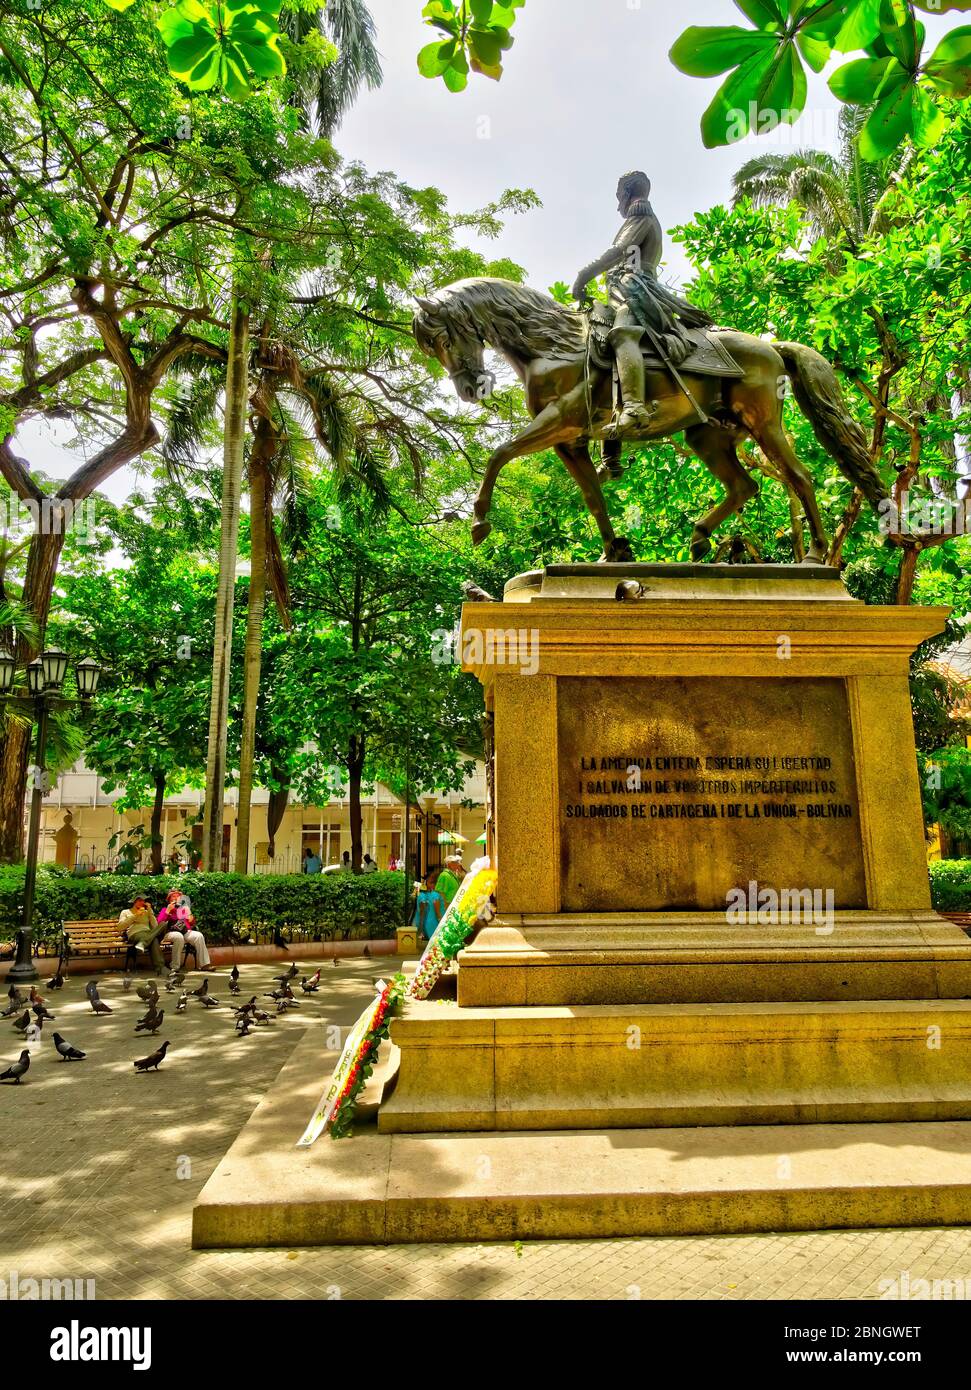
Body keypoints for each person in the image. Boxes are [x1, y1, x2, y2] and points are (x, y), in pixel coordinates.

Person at [571, 170, 713, 439]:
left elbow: (619, 251)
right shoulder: (643, 215)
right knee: (596, 339)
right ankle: (609, 439)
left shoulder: (640, 214)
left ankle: (635, 408)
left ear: (625, 194)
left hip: (637, 290)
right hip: (624, 289)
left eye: (618, 198)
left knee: (623, 335)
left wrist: (584, 275)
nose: (618, 206)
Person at [157, 889, 212, 971]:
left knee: (198, 936)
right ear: (169, 899)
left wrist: (189, 914)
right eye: (173, 896)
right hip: (169, 933)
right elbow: (159, 923)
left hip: (184, 932)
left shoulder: (182, 909)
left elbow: (191, 923)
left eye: (178, 896)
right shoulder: (165, 909)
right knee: (178, 937)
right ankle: (175, 966)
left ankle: (204, 965)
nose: (176, 898)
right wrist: (168, 911)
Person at [118, 896, 166, 974]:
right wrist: (136, 915)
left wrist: (150, 911)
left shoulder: (147, 912)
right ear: (134, 902)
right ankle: (161, 968)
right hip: (135, 934)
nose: (142, 902)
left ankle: (143, 943)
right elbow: (120, 927)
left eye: (143, 901)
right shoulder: (126, 912)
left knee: (163, 924)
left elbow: (155, 927)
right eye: (140, 900)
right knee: (154, 940)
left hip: (148, 934)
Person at [411, 871, 445, 942]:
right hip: (434, 925)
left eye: (434, 883)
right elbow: (436, 913)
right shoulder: (433, 895)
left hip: (427, 925)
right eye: (431, 883)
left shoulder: (426, 894)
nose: (433, 885)